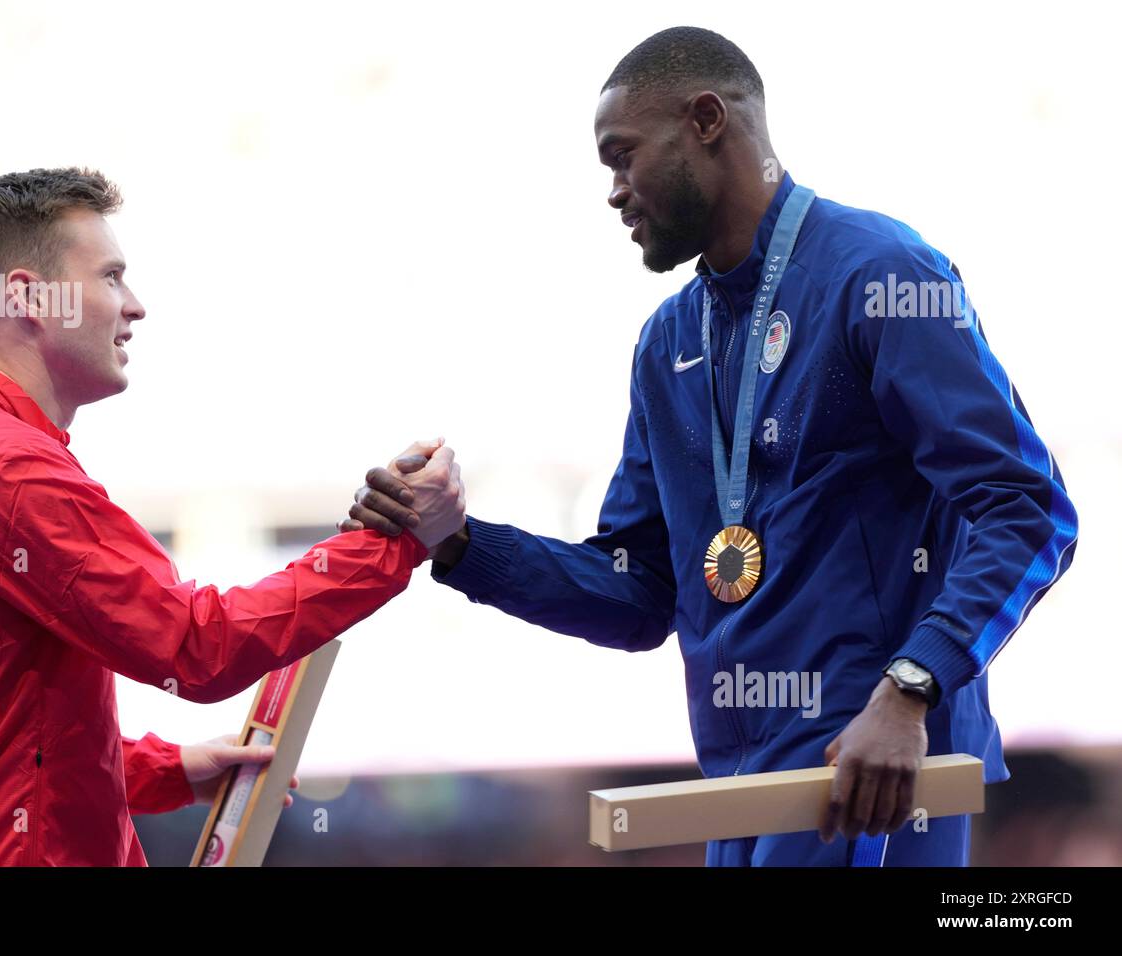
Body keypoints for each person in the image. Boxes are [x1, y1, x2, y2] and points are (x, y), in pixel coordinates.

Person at [340, 27, 1078, 866]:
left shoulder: (881, 275)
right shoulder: (668, 343)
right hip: (743, 782)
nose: (615, 192)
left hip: (877, 776)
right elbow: (641, 593)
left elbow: (1028, 509)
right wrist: (462, 544)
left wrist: (911, 688)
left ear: (705, 120)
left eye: (622, 157)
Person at [0, 167, 465, 865]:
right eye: (111, 277)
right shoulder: (3, 467)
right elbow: (199, 647)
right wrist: (396, 542)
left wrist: (163, 770)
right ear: (27, 296)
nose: (135, 305)